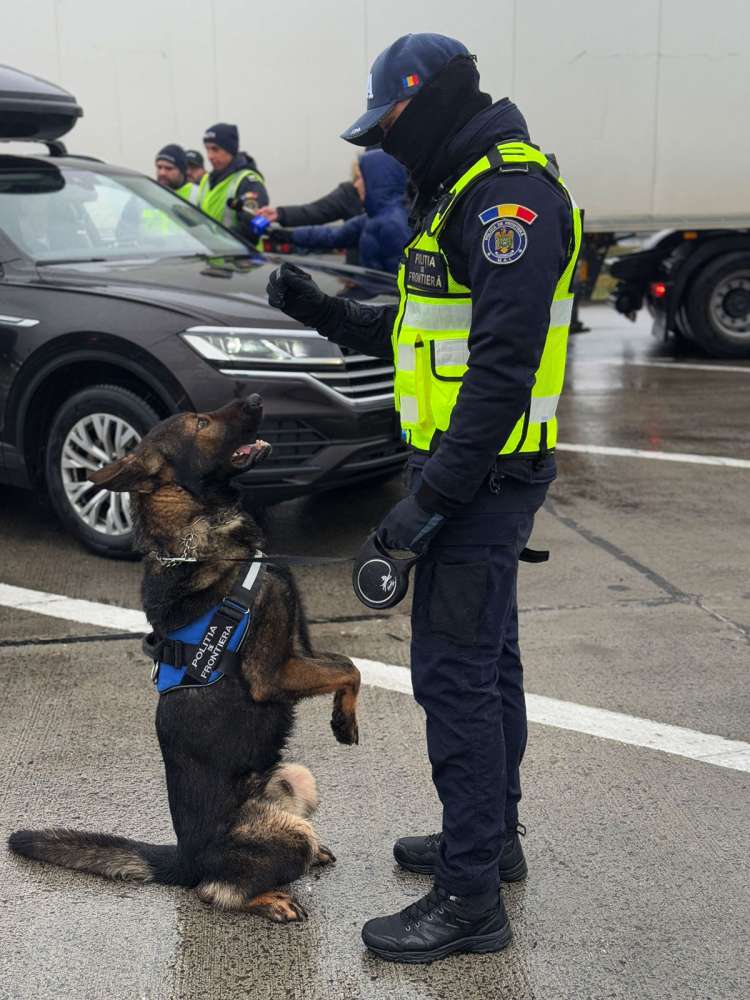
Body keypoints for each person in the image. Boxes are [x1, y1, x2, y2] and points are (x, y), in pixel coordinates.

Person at [266, 32, 581, 964]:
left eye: (392, 126)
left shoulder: (507, 200)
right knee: (490, 669)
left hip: (478, 481)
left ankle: (469, 899)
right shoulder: (462, 190)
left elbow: (499, 371)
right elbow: (420, 335)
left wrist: (422, 508)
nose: (386, 147)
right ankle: (493, 841)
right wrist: (324, 312)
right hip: (471, 478)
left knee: (457, 684)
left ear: (435, 101)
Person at [271, 149, 409, 274]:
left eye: (361, 178)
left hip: (382, 300)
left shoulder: (393, 224)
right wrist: (289, 236)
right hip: (372, 295)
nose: (356, 184)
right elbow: (333, 235)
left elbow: (400, 280)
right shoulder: (372, 218)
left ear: (377, 182)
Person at [198, 123, 269, 237]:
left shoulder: (248, 181)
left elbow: (251, 228)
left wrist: (219, 241)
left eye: (215, 149)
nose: (210, 156)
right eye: (207, 149)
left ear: (230, 150)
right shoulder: (206, 179)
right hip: (211, 253)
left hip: (240, 254)